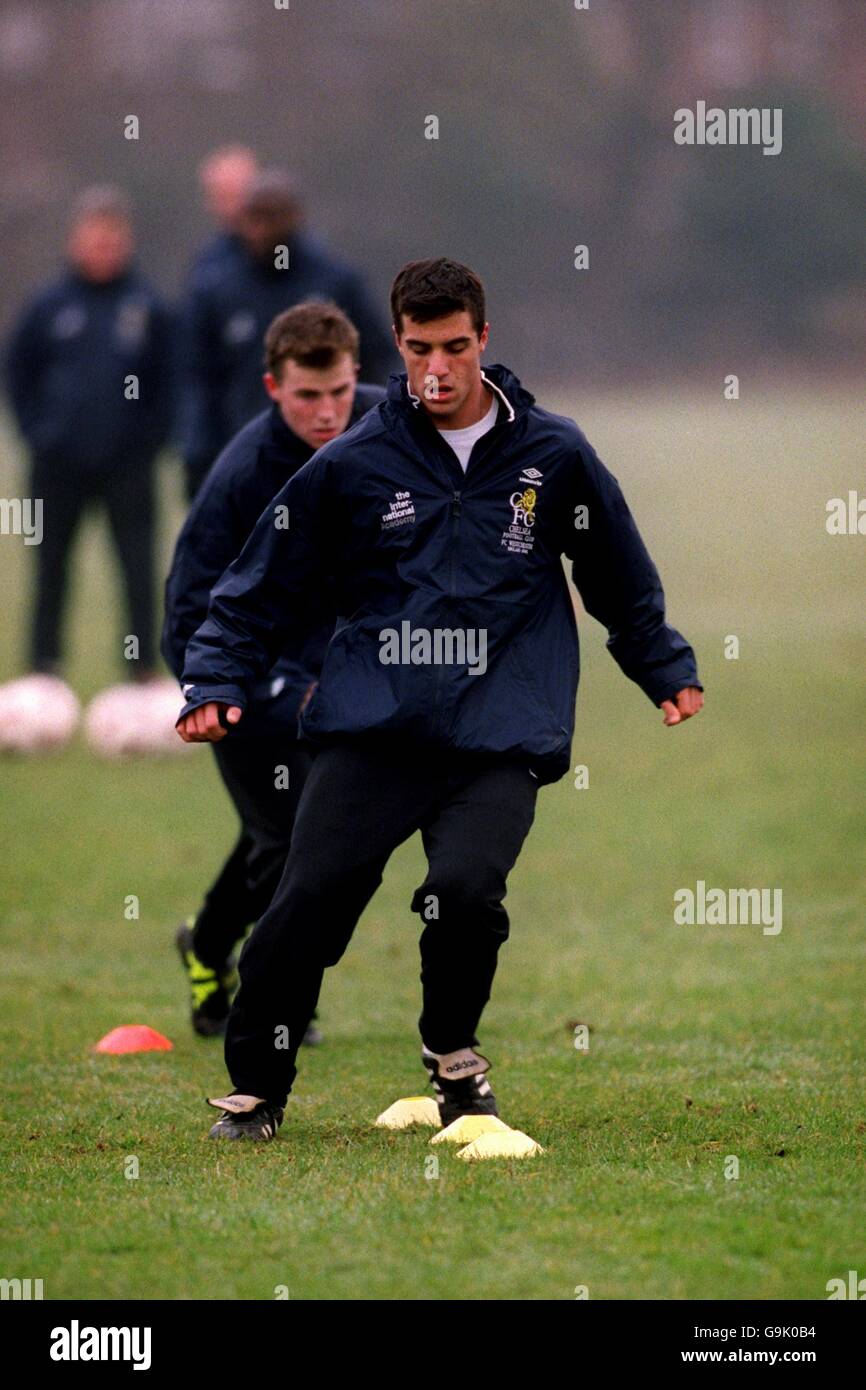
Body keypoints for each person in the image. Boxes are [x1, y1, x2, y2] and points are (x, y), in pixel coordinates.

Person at [175, 258, 704, 1141]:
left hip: (500, 728)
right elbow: (255, 582)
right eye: (420, 349)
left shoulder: (555, 455)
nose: (438, 369)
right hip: (375, 727)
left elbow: (616, 572)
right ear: (398, 343)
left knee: (463, 893)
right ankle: (258, 1089)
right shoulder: (353, 463)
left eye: (456, 346)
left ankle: (453, 1058)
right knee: (305, 901)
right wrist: (217, 679)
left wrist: (663, 665)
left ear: (483, 339)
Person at [164, 302, 385, 1038]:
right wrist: (215, 693)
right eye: (306, 397)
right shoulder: (241, 477)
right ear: (272, 387)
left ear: (358, 375)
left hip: (336, 676)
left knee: (288, 830)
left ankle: (209, 942)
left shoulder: (387, 426)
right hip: (243, 681)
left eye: (339, 393)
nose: (327, 413)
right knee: (295, 839)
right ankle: (282, 1004)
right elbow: (189, 603)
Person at [5, 186, 174, 680]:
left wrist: (150, 439)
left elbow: (171, 378)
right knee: (49, 568)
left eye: (112, 240)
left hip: (128, 464)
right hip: (56, 464)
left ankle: (140, 670)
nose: (103, 250)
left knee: (138, 570)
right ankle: (43, 670)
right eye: (94, 240)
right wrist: (38, 431)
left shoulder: (147, 306)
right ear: (75, 241)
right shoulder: (47, 305)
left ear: (126, 242)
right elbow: (18, 372)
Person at [180, 169, 395, 497]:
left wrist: (378, 428)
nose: (261, 230)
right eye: (254, 219)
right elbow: (199, 377)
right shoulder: (219, 289)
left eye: (273, 219)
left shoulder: (334, 282)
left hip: (329, 454)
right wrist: (198, 451)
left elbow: (379, 357)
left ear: (295, 219)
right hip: (248, 455)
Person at [190, 144, 258, 279]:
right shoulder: (208, 263)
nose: (231, 210)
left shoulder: (291, 252)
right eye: (221, 198)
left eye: (236, 196)